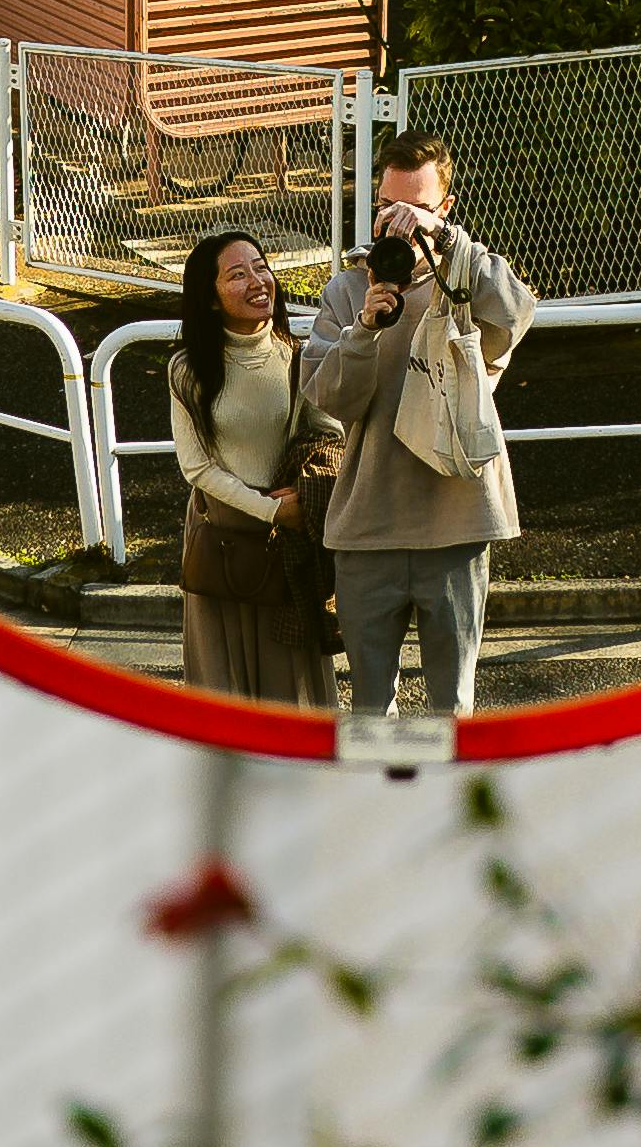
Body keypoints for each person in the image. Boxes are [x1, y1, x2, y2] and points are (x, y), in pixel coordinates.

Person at [295, 129, 537, 731]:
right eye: (386, 208)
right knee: (370, 712)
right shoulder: (348, 289)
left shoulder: (469, 282)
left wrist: (449, 246)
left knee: (451, 711)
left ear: (445, 210)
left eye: (416, 211)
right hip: (368, 524)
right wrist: (363, 331)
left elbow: (516, 314)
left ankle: (447, 816)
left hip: (456, 521)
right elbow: (326, 399)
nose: (397, 224)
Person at [165, 231, 333, 705]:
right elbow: (196, 468)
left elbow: (329, 430)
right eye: (238, 275)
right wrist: (268, 510)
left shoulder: (295, 353)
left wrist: (304, 496)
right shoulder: (187, 367)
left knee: (291, 686)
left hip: (288, 535)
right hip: (224, 534)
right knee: (224, 689)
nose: (258, 281)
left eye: (261, 267)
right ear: (212, 298)